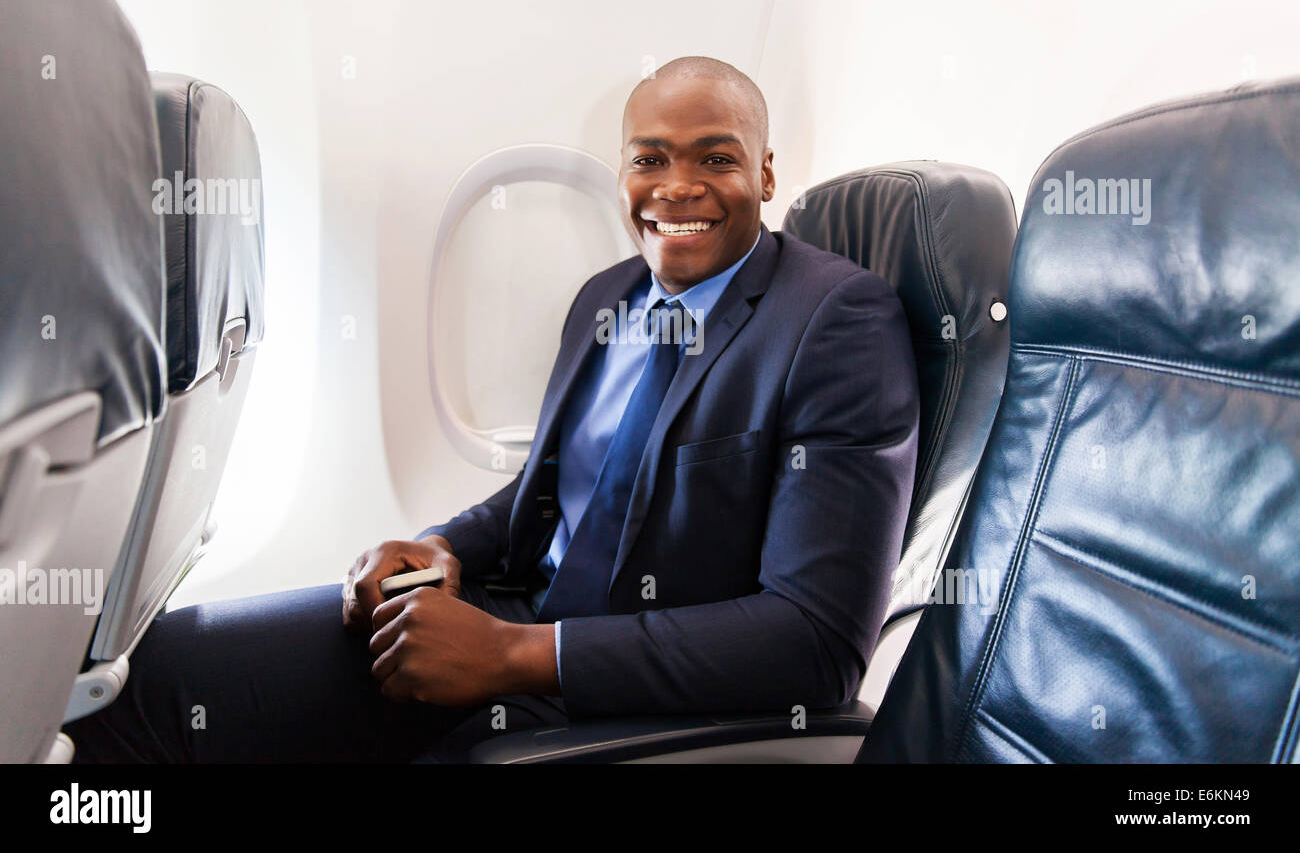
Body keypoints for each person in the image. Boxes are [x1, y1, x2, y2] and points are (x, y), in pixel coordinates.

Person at [65, 56, 919, 762]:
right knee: (154, 675)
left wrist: (515, 658)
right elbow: (543, 498)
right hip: (515, 615)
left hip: (625, 694)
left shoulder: (837, 319)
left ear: (766, 173)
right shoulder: (607, 299)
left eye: (717, 158)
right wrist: (439, 546)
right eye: (649, 159)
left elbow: (815, 643)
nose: (678, 188)